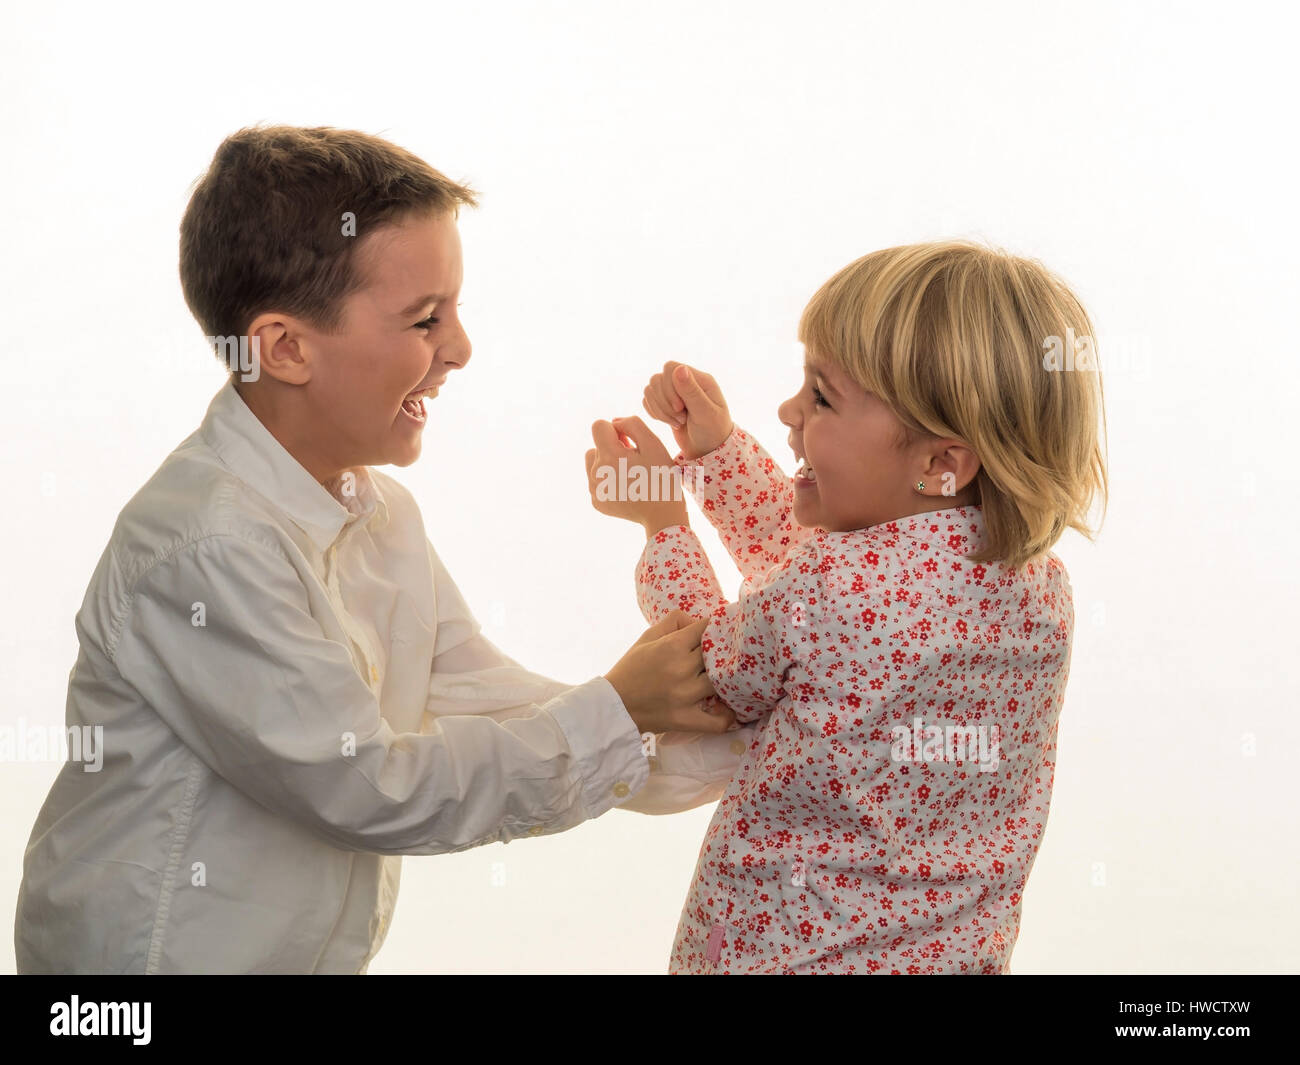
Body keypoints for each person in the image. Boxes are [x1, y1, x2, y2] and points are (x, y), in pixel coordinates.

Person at [14, 125, 734, 975]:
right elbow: (370, 786)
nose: (461, 349)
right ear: (285, 348)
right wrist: (620, 708)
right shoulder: (206, 549)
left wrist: (733, 741)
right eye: (427, 319)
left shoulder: (380, 515)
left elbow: (492, 702)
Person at [587, 241, 1108, 973]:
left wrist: (662, 521)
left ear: (939, 463)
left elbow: (698, 676)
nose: (788, 410)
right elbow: (817, 578)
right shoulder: (1040, 594)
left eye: (821, 396)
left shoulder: (828, 589)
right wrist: (717, 454)